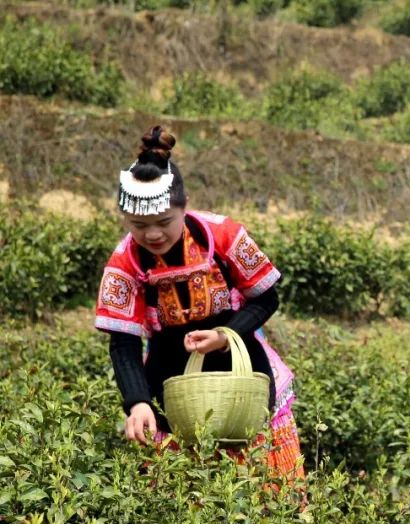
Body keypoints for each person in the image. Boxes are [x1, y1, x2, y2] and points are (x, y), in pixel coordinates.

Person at [95, 126, 303, 479]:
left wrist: (225, 334)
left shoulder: (223, 235)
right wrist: (138, 402)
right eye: (138, 225)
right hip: (169, 384)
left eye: (164, 222)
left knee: (266, 494)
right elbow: (124, 343)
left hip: (242, 372)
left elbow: (266, 297)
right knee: (180, 510)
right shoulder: (124, 262)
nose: (153, 235)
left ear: (184, 208)